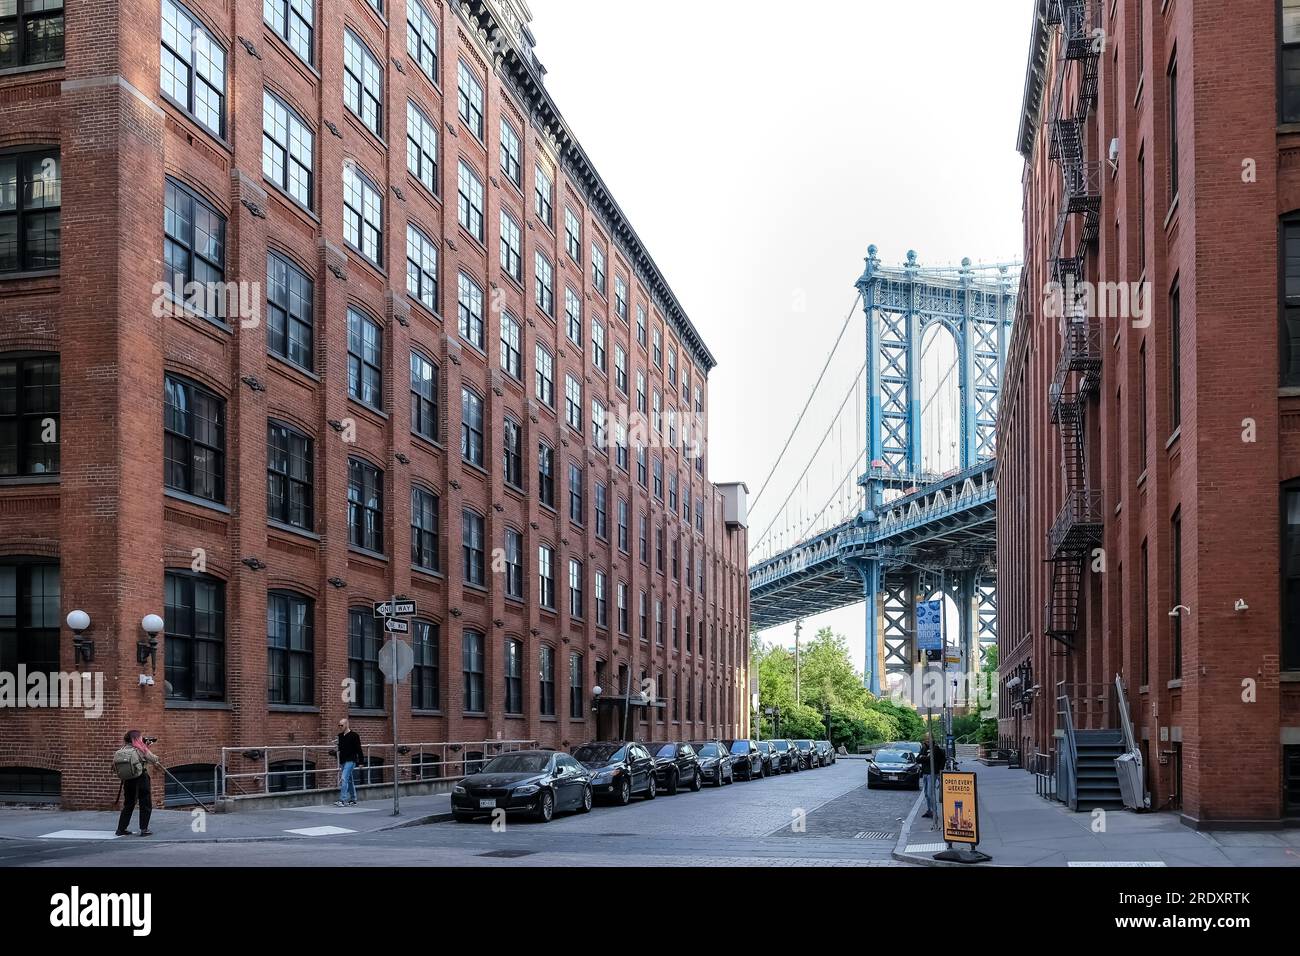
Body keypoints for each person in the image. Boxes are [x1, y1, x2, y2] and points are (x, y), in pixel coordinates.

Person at [114, 730, 163, 836]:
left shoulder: (122, 750)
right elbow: (154, 759)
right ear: (136, 739)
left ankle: (121, 829)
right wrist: (146, 748)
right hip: (141, 779)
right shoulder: (140, 749)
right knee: (145, 803)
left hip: (128, 780)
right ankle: (144, 829)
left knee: (128, 804)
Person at [336, 718, 362, 807]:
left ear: (346, 725)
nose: (340, 727)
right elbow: (340, 749)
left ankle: (342, 800)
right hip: (343, 760)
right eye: (339, 725)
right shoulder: (340, 736)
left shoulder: (354, 735)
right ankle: (353, 799)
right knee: (349, 780)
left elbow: (359, 749)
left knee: (343, 778)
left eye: (341, 725)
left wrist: (361, 762)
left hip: (351, 760)